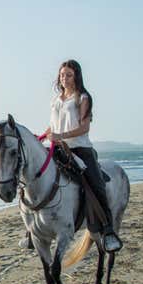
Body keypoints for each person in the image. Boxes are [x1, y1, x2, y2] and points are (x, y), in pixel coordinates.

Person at [26, 59, 122, 252]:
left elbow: (84, 127)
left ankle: (108, 230)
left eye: (69, 75)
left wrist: (61, 136)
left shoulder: (82, 98)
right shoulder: (56, 100)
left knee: (96, 184)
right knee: (33, 175)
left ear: (76, 76)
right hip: (57, 148)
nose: (65, 78)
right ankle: (31, 230)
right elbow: (53, 126)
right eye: (62, 75)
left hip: (80, 149)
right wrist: (41, 137)